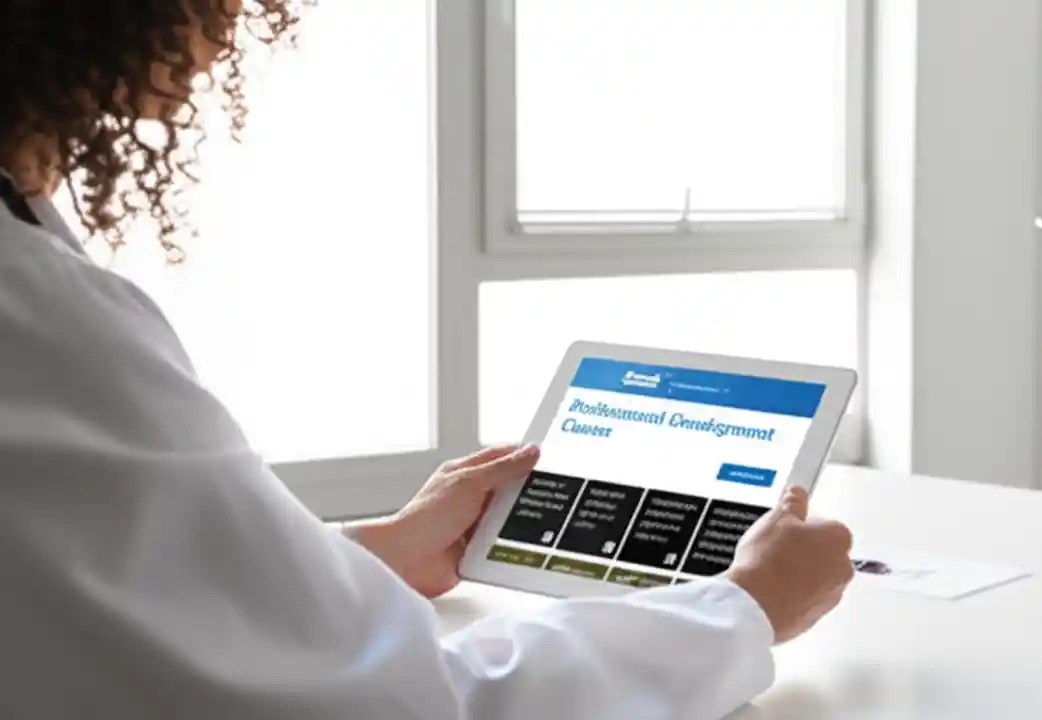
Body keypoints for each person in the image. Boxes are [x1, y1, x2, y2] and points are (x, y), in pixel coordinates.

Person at [0, 2, 856, 717]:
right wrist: (743, 609)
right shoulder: (42, 322)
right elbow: (421, 705)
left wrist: (365, 556)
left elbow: (107, 581)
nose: (227, 36)